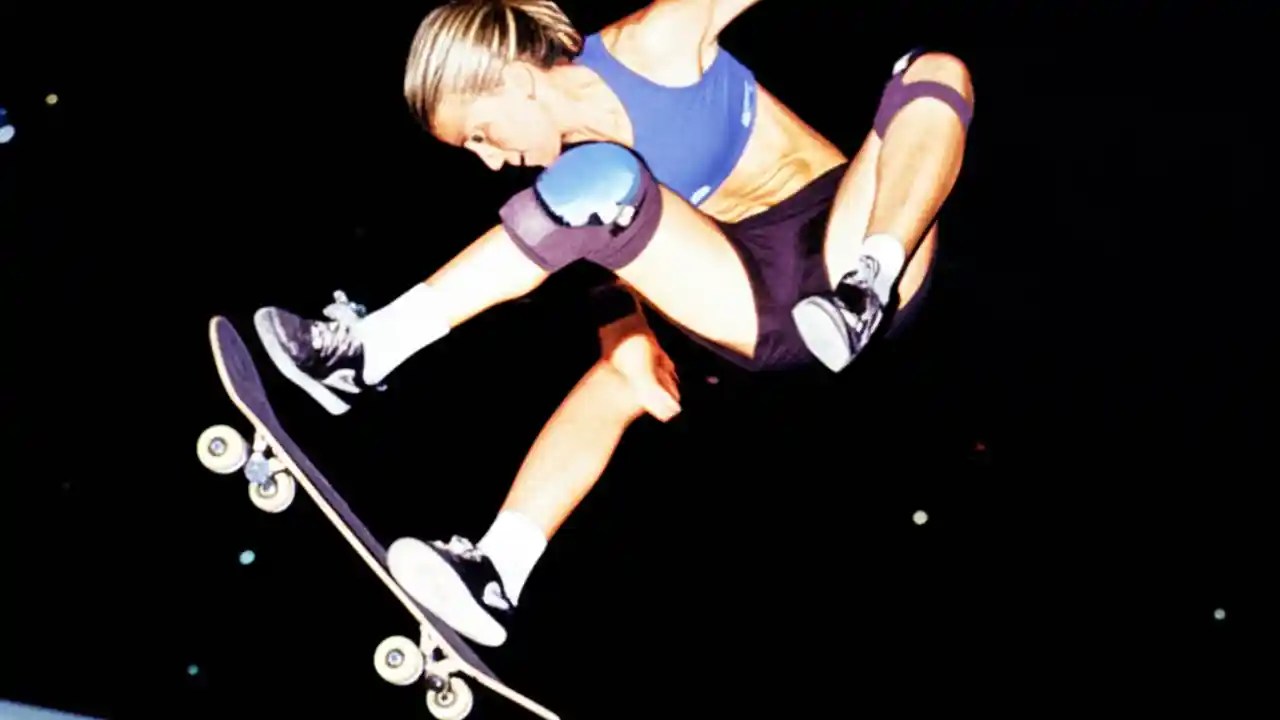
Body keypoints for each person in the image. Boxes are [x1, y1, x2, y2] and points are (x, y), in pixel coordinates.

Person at [253, 0, 973, 647]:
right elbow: (610, 268)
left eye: (481, 135)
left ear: (515, 79)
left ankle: (864, 287)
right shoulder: (575, 178)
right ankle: (494, 566)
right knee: (615, 343)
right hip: (746, 293)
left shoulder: (654, 41)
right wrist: (624, 345)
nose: (490, 160)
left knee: (934, 69)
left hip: (854, 247)